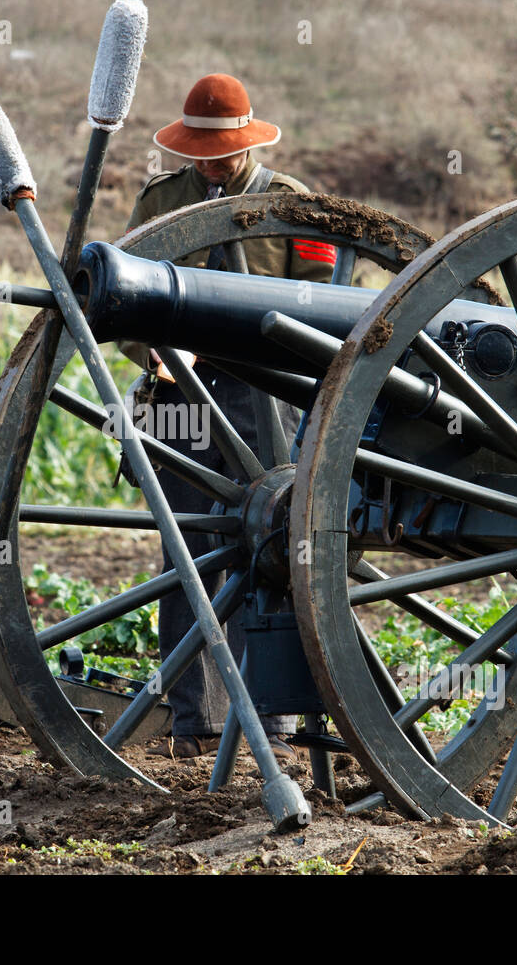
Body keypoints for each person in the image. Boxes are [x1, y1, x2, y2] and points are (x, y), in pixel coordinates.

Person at [124, 73, 334, 759]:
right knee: (187, 558)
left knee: (263, 551)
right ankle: (196, 724)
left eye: (222, 152)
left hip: (259, 397)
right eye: (200, 153)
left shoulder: (292, 205)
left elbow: (326, 301)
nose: (210, 164)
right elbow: (122, 294)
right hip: (179, 395)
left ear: (246, 142)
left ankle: (267, 721)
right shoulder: (163, 200)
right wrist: (151, 352)